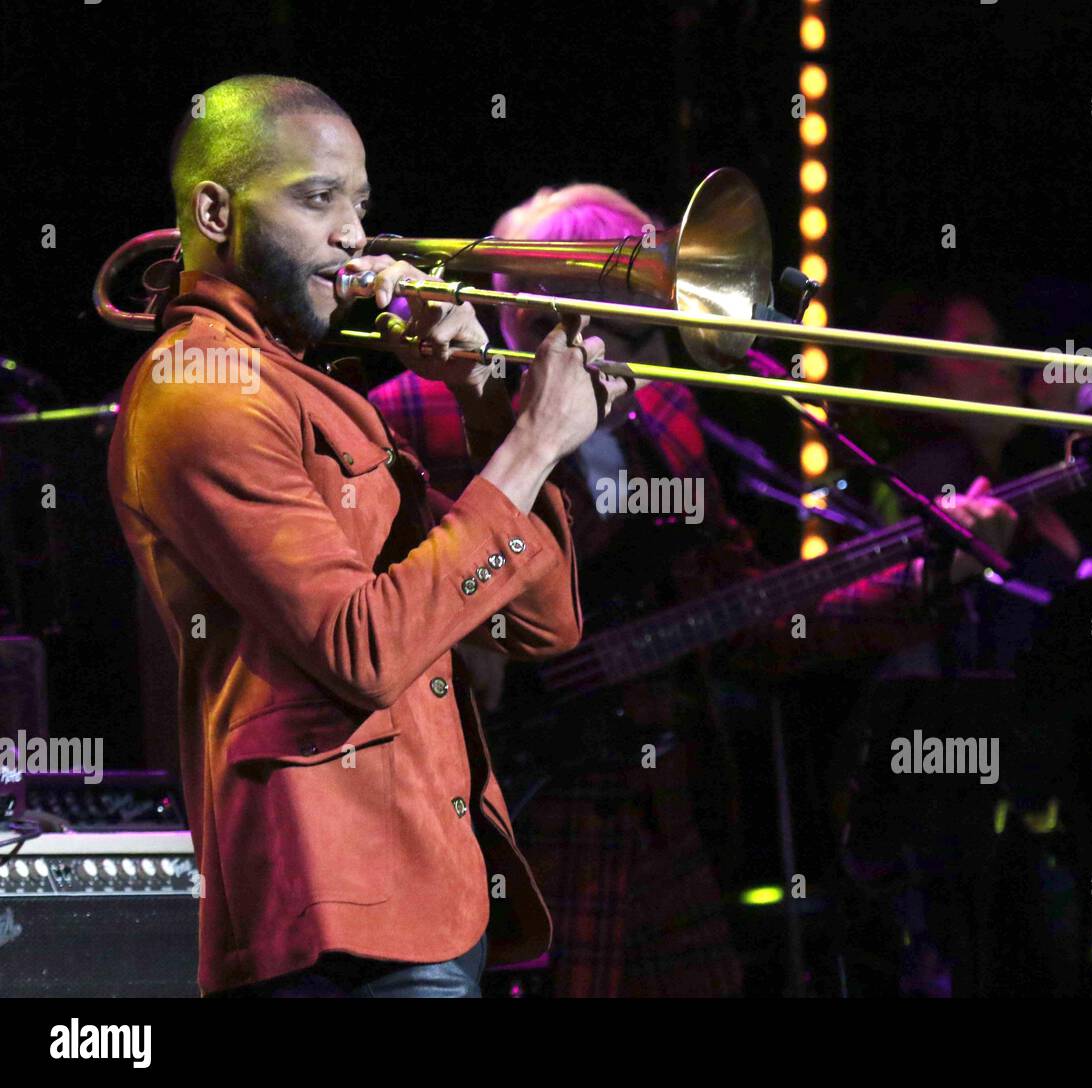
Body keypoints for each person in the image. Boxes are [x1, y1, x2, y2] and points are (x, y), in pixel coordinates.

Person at [368, 186, 1018, 996]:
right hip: (515, 812)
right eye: (630, 293)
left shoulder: (664, 415)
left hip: (666, 817)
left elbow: (749, 619)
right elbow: (365, 618)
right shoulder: (408, 413)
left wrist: (923, 579)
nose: (648, 321)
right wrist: (460, 645)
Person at [106, 75, 629, 997]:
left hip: (432, 884)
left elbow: (537, 630)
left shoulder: (307, 387)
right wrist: (537, 441)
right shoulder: (203, 390)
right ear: (216, 210)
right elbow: (363, 648)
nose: (354, 233)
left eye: (359, 203)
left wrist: (481, 407)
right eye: (317, 199)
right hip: (337, 910)